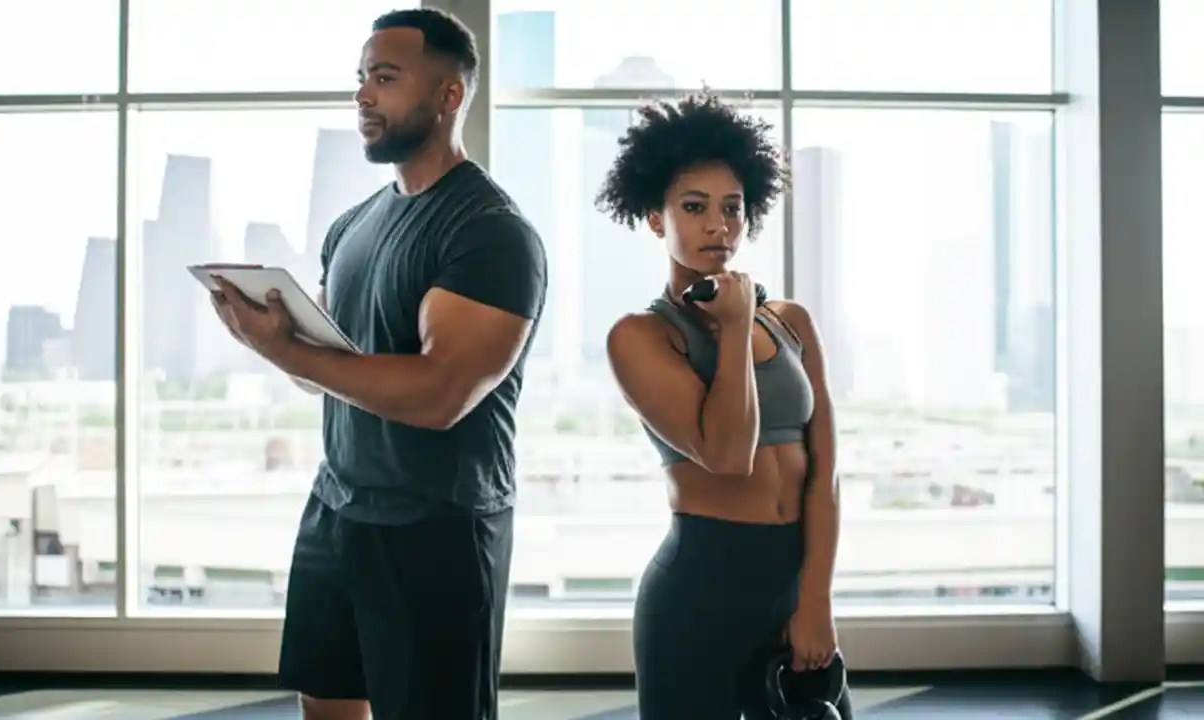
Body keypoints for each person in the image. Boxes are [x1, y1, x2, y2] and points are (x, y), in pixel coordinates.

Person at [209, 8, 548, 720]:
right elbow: (323, 369)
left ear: (450, 95)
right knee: (326, 703)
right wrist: (265, 339)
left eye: (385, 78)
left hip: (437, 530)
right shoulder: (353, 224)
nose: (364, 94)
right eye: (361, 77)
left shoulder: (490, 233)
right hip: (338, 508)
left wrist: (285, 347)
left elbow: (440, 394)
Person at [596, 91, 853, 719]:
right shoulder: (640, 337)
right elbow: (728, 454)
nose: (719, 225)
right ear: (657, 219)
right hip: (697, 597)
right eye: (694, 207)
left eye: (732, 208)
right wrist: (734, 327)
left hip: (792, 586)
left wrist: (815, 599)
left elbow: (826, 471)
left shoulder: (791, 321)